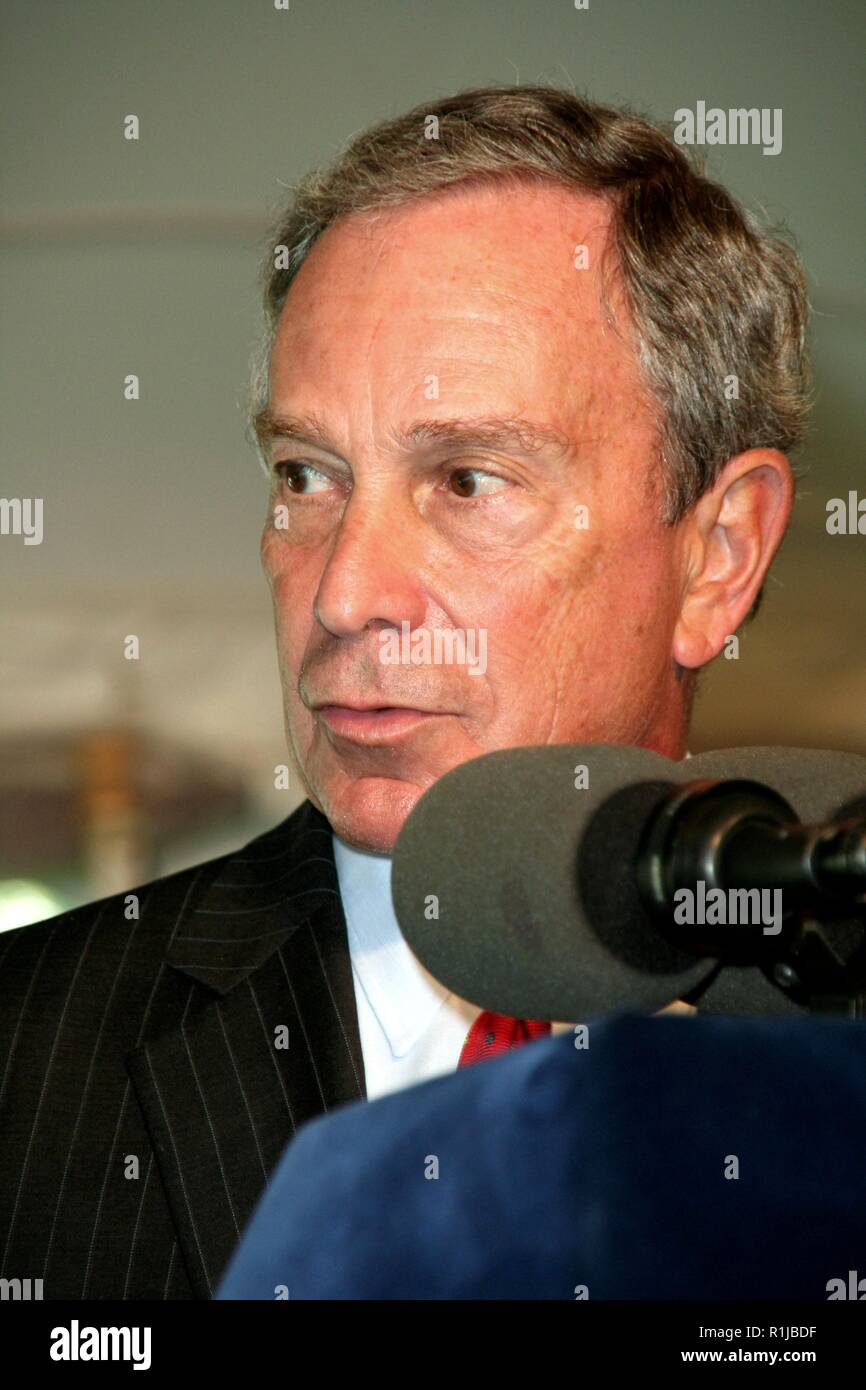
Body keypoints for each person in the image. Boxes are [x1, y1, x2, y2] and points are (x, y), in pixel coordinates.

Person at [0, 85, 809, 1300]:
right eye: (305, 473)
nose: (341, 591)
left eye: (468, 478)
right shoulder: (25, 1060)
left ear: (717, 555)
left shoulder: (825, 1043)